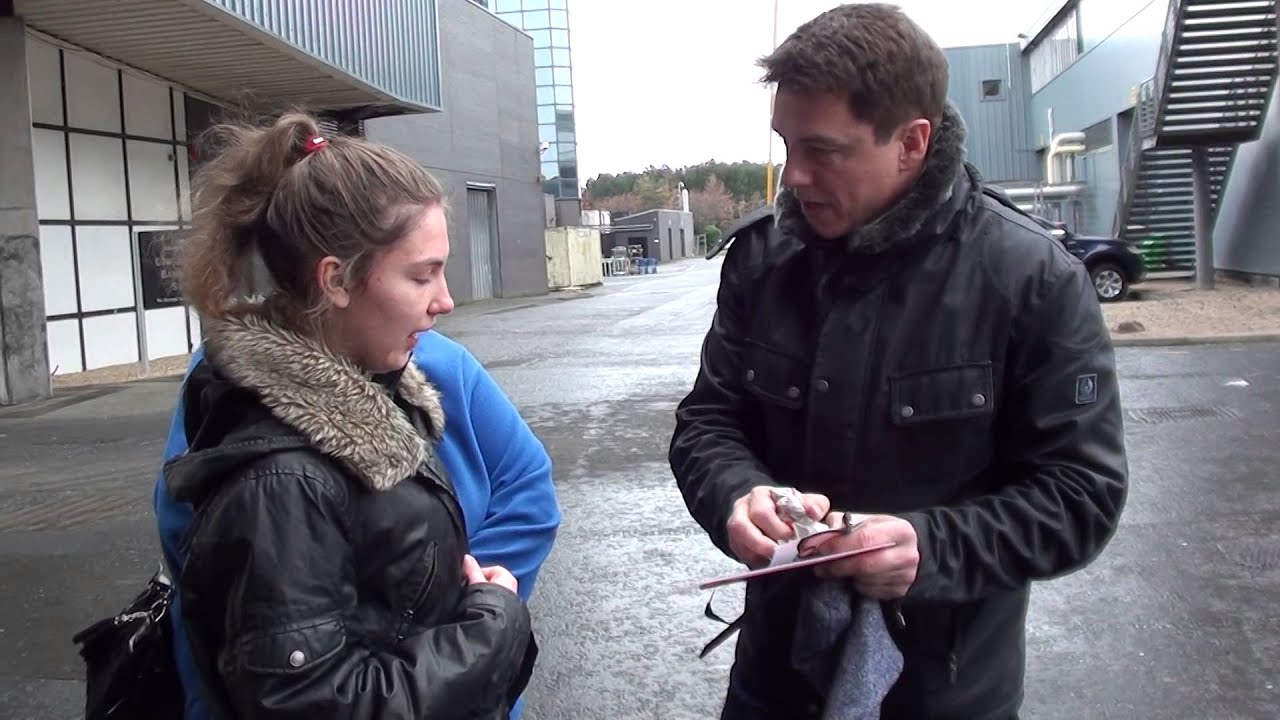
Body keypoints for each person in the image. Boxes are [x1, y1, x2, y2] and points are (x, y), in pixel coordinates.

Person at [669, 5, 1128, 719]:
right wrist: (736, 497)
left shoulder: (1032, 280)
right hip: (774, 678)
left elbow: (1080, 494)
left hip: (945, 689)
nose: (793, 176)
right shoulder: (761, 263)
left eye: (823, 150)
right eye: (786, 143)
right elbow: (709, 420)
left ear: (912, 142)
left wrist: (929, 547)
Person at [156, 111, 551, 720]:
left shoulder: (384, 393)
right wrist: (488, 627)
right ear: (336, 280)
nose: (446, 301)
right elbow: (310, 699)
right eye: (423, 275)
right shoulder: (282, 482)